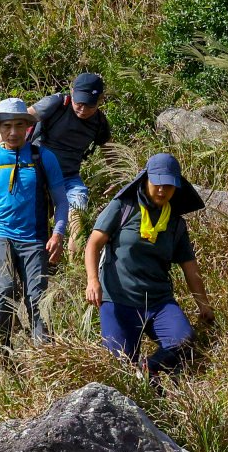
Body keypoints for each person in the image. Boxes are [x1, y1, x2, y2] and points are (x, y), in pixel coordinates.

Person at [84, 152, 213, 376]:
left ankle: (149, 369)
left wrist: (203, 304)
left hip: (158, 301)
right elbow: (93, 244)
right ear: (145, 179)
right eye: (157, 183)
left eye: (169, 185)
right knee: (120, 368)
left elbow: (190, 268)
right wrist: (92, 281)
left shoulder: (175, 223)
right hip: (118, 300)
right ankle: (145, 388)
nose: (162, 190)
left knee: (182, 341)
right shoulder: (123, 207)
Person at [0, 97, 70, 349]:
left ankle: (44, 355)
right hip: (0, 234)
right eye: (6, 126)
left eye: (18, 126)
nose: (12, 132)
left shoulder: (43, 158)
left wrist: (57, 233)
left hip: (35, 238)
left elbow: (62, 202)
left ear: (28, 127)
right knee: (5, 290)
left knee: (38, 297)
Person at [32, 72, 111, 228]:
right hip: (37, 171)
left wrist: (116, 177)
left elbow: (112, 152)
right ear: (72, 92)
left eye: (90, 105)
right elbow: (17, 119)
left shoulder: (99, 123)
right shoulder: (56, 104)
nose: (83, 109)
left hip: (68, 177)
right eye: (79, 103)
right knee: (33, 219)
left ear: (100, 100)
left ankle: (74, 251)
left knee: (78, 212)